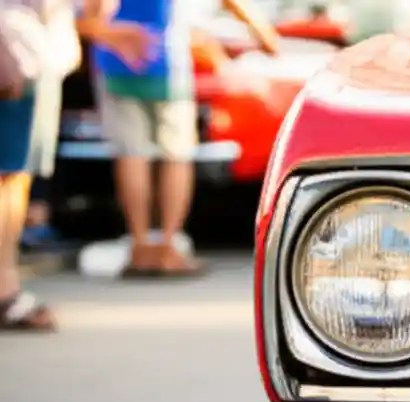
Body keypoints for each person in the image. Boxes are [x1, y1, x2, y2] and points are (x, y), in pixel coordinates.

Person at [78, 0, 280, 279]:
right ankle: (168, 247)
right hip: (166, 58)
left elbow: (92, 11)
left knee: (131, 153)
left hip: (116, 58)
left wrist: (104, 31)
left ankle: (140, 246)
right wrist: (263, 34)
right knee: (176, 154)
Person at [17, 0, 79, 254]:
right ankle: (33, 220)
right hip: (27, 58)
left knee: (22, 163)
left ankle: (34, 218)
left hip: (36, 58)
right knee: (16, 167)